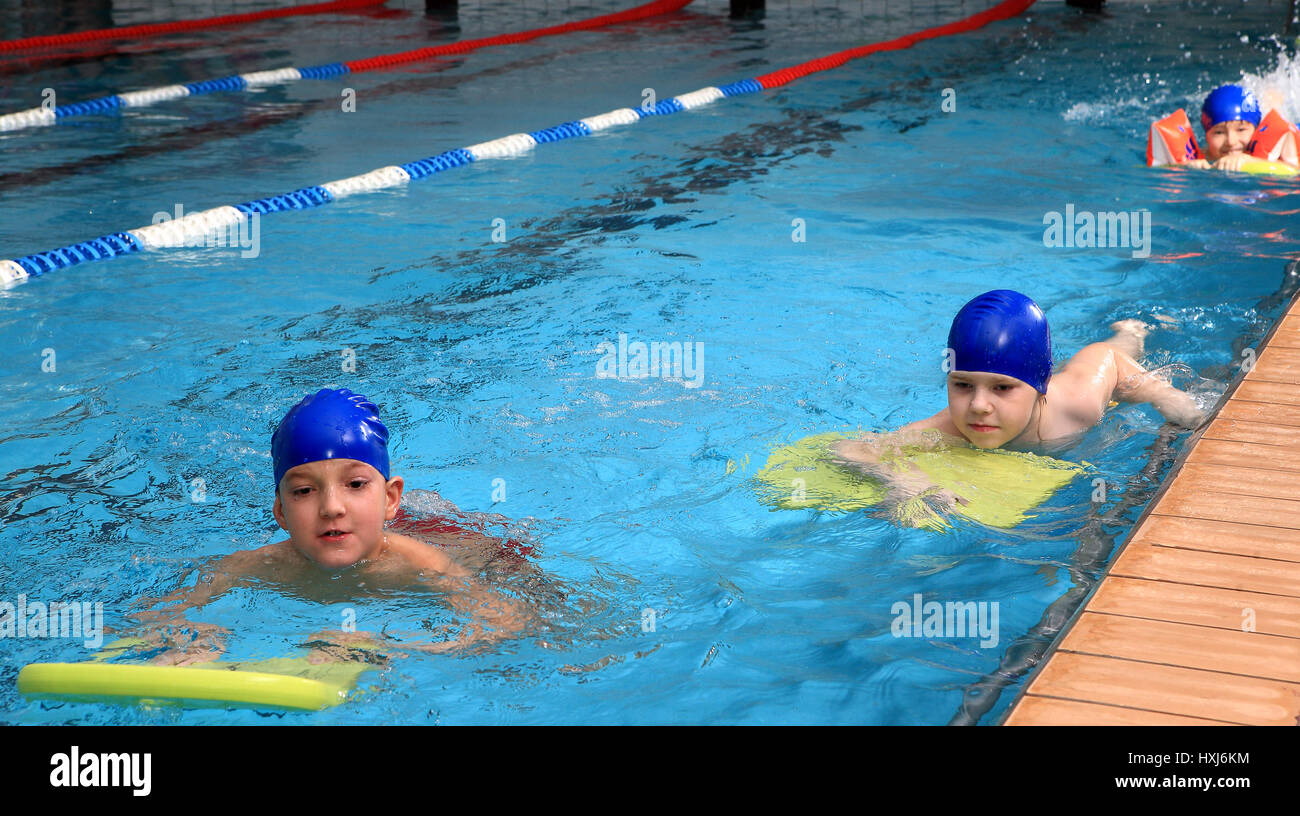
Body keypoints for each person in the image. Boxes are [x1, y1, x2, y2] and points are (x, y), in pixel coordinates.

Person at [129, 388, 530, 665]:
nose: (331, 508)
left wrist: (389, 647)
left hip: (464, 540)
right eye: (304, 491)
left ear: (390, 498)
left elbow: (509, 623)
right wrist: (183, 636)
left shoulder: (418, 562)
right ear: (281, 513)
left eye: (355, 484)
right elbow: (154, 613)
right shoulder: (261, 565)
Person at [832, 290, 1205, 508]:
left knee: (1123, 356)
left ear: (1039, 385)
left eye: (1002, 387)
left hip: (1103, 379)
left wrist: (1161, 393)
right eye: (963, 385)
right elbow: (849, 450)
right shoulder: (949, 428)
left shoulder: (1078, 405)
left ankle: (1133, 330)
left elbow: (1105, 360)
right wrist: (904, 479)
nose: (978, 405)